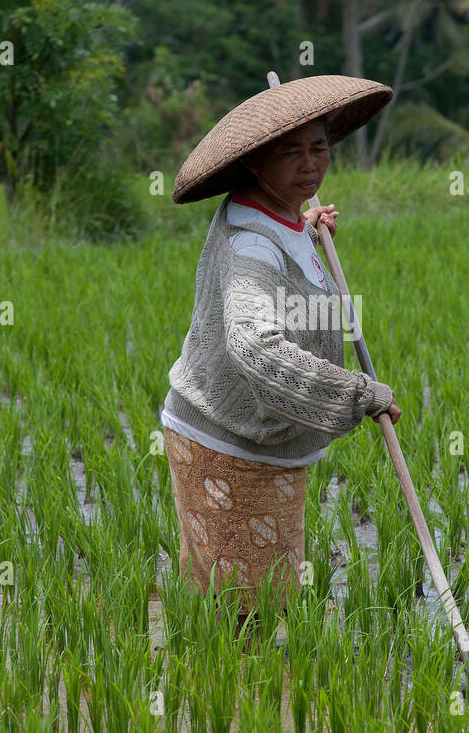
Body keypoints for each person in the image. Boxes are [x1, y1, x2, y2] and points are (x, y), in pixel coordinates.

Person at [161, 73, 402, 640]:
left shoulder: (279, 215)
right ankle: (228, 717)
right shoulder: (251, 246)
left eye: (318, 148)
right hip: (228, 447)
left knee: (266, 599)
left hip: (267, 447)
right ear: (252, 165)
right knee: (239, 616)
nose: (309, 166)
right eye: (289, 154)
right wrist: (360, 393)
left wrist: (306, 226)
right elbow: (256, 345)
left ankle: (246, 708)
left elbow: (286, 255)